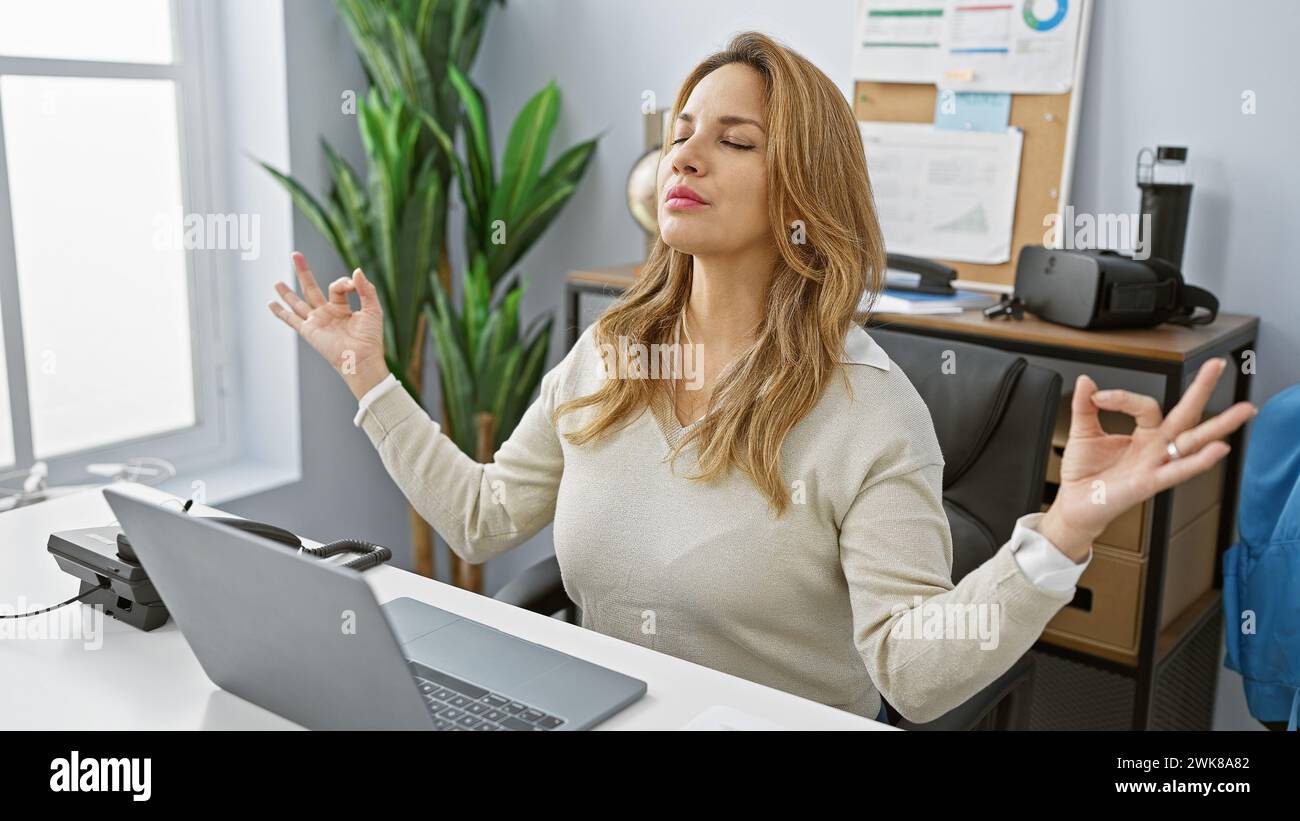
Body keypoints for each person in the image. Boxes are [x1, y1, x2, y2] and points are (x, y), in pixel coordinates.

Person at [268, 31, 1256, 724]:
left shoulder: (868, 409)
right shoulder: (610, 350)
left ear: (802, 195)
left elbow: (910, 676)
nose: (686, 152)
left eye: (734, 139)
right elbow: (483, 518)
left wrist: (1062, 533)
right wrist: (372, 378)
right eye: (683, 129)